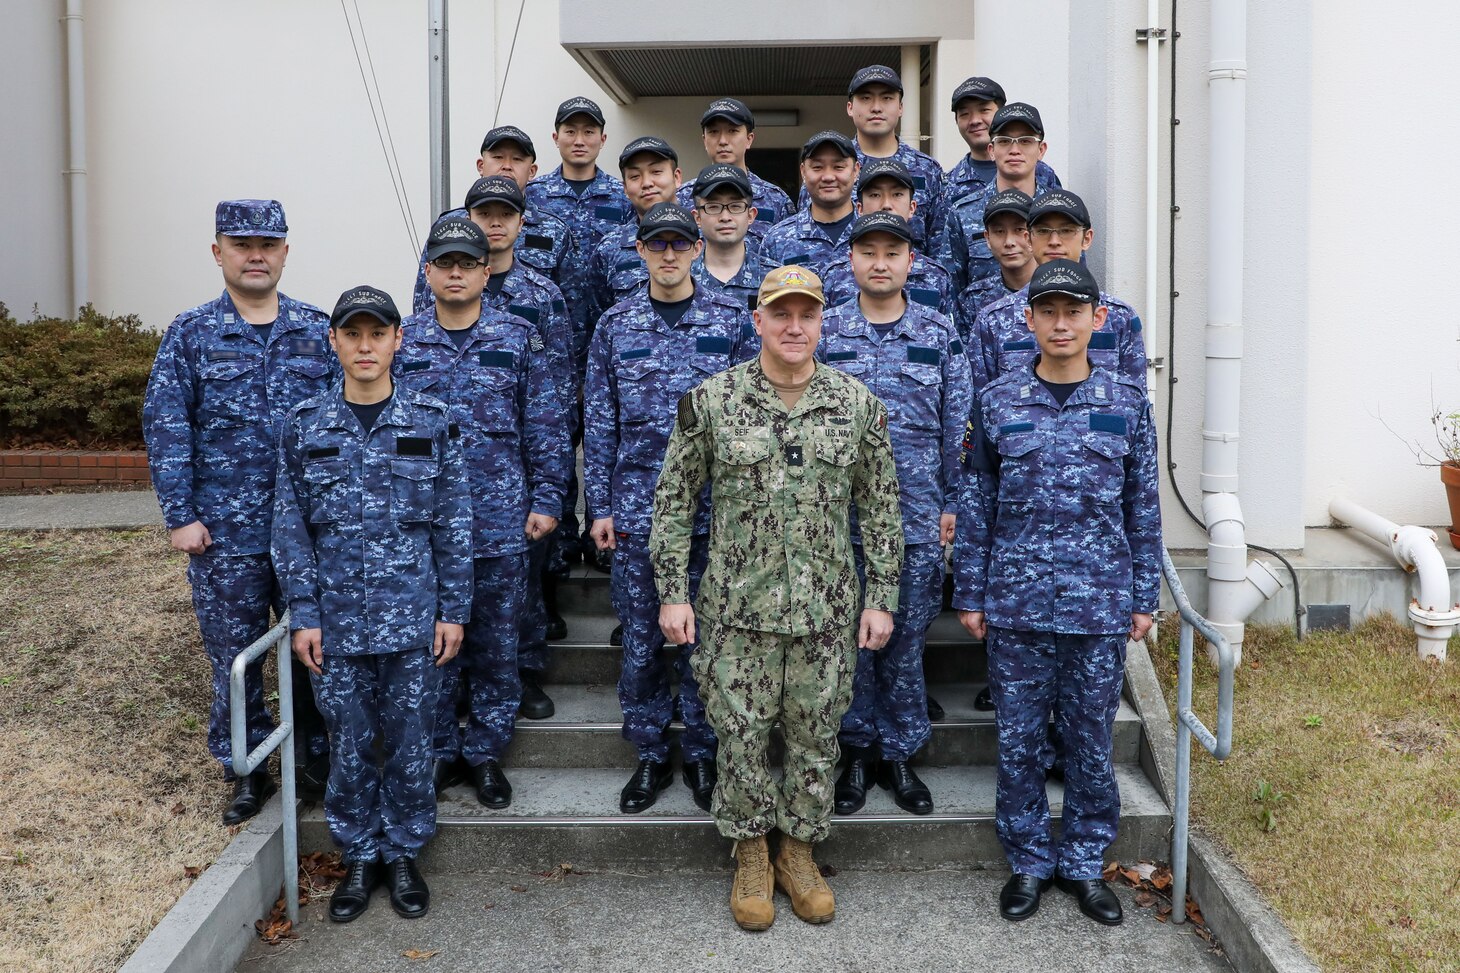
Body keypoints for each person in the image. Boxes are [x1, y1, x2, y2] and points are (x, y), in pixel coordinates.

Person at [651, 264, 903, 930]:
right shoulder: (709, 400)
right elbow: (674, 502)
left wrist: (881, 596)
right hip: (737, 611)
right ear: (757, 321)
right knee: (739, 736)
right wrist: (671, 592)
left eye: (808, 315)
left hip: (826, 609)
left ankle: (799, 851)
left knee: (818, 736)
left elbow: (879, 507)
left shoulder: (857, 404)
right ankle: (752, 852)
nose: (795, 327)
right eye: (781, 314)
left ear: (824, 323)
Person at [953, 259, 1160, 927]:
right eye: (1050, 310)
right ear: (1030, 319)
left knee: (1090, 741)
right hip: (1015, 602)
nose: (1062, 321)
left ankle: (1082, 860)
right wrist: (972, 591)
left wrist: (1143, 594)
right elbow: (978, 501)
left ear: (1099, 319)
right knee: (1016, 741)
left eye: (1075, 310)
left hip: (1097, 603)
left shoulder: (1127, 404)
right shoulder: (997, 402)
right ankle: (1030, 861)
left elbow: (1143, 505)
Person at [272, 285, 473, 923]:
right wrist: (302, 613)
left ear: (397, 340)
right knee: (350, 741)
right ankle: (359, 854)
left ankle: (406, 852)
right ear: (333, 341)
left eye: (377, 333)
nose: (365, 345)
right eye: (352, 333)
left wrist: (453, 611)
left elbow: (453, 521)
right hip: (335, 621)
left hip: (414, 617)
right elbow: (290, 527)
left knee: (413, 739)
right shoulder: (304, 425)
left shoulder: (432, 420)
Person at [142, 199, 332, 824]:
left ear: (285, 251)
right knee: (236, 657)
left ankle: (316, 762)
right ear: (217, 250)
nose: (256, 254)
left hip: (309, 531)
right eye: (242, 242)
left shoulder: (319, 329)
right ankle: (246, 770)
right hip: (226, 532)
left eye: (268, 243)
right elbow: (169, 427)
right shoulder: (191, 334)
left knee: (317, 650)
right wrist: (180, 515)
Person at [583, 202, 751, 814]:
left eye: (681, 243)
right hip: (637, 511)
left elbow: (748, 417)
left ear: (697, 247)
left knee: (708, 639)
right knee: (643, 641)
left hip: (714, 511)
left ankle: (704, 752)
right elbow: (600, 423)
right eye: (658, 245)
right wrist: (598, 505)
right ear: (641, 250)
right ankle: (651, 752)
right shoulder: (615, 325)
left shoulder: (732, 319)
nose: (671, 254)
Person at [396, 218, 569, 809]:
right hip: (423, 525)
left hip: (499, 521)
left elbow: (544, 424)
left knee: (496, 645)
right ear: (428, 273)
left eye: (466, 263)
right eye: (444, 263)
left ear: (484, 269)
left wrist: (549, 498)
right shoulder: (404, 341)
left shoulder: (518, 336)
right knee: (434, 647)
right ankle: (442, 750)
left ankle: (487, 752)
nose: (455, 272)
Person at [816, 211, 970, 819]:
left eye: (892, 252)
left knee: (905, 638)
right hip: (838, 517)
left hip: (916, 515)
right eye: (868, 251)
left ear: (911, 262)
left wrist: (953, 503)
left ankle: (901, 754)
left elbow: (959, 428)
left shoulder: (939, 332)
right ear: (850, 260)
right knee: (849, 639)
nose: (880, 263)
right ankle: (854, 753)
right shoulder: (826, 332)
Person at [465, 174, 576, 716]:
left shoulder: (544, 294)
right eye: (484, 213)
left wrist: (550, 481)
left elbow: (556, 384)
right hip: (457, 471)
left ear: (521, 221)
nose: (494, 222)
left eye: (504, 213)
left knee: (523, 582)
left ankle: (525, 671)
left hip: (520, 460)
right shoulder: (445, 279)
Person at [412, 126, 579, 319]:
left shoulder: (555, 230)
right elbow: (424, 302)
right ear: (481, 165)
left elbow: (573, 310)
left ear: (532, 170)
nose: (507, 166)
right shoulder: (449, 225)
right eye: (498, 157)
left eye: (517, 159)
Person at [939, 102, 1052, 297]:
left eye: (1025, 141)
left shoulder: (1057, 212)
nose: (1015, 150)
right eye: (1004, 141)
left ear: (1041, 150)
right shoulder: (963, 212)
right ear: (991, 150)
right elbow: (951, 287)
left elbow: (1076, 277)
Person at [819, 158, 955, 318]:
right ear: (859, 208)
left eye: (897, 194)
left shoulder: (937, 277)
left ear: (912, 208)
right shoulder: (834, 276)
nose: (886, 205)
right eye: (875, 195)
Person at [676, 98, 795, 242]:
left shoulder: (776, 199)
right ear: (704, 140)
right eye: (714, 132)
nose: (723, 141)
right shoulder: (682, 198)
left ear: (749, 139)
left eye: (732, 131)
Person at [942, 76, 1060, 211]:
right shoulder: (948, 184)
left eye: (984, 110)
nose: (975, 120)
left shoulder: (1043, 173)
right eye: (965, 114)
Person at [758, 131, 860, 281]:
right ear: (803, 172)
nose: (828, 177)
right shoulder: (777, 240)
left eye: (838, 167)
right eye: (817, 167)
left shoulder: (876, 235)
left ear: (856, 170)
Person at [688, 163, 763, 341]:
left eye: (735, 206)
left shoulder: (775, 279)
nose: (725, 217)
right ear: (697, 217)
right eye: (713, 207)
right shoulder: (682, 278)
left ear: (751, 215)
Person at [952, 188, 1035, 346]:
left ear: (1033, 233)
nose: (1009, 241)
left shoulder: (1055, 291)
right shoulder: (973, 300)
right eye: (999, 231)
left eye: (1019, 230)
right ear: (987, 238)